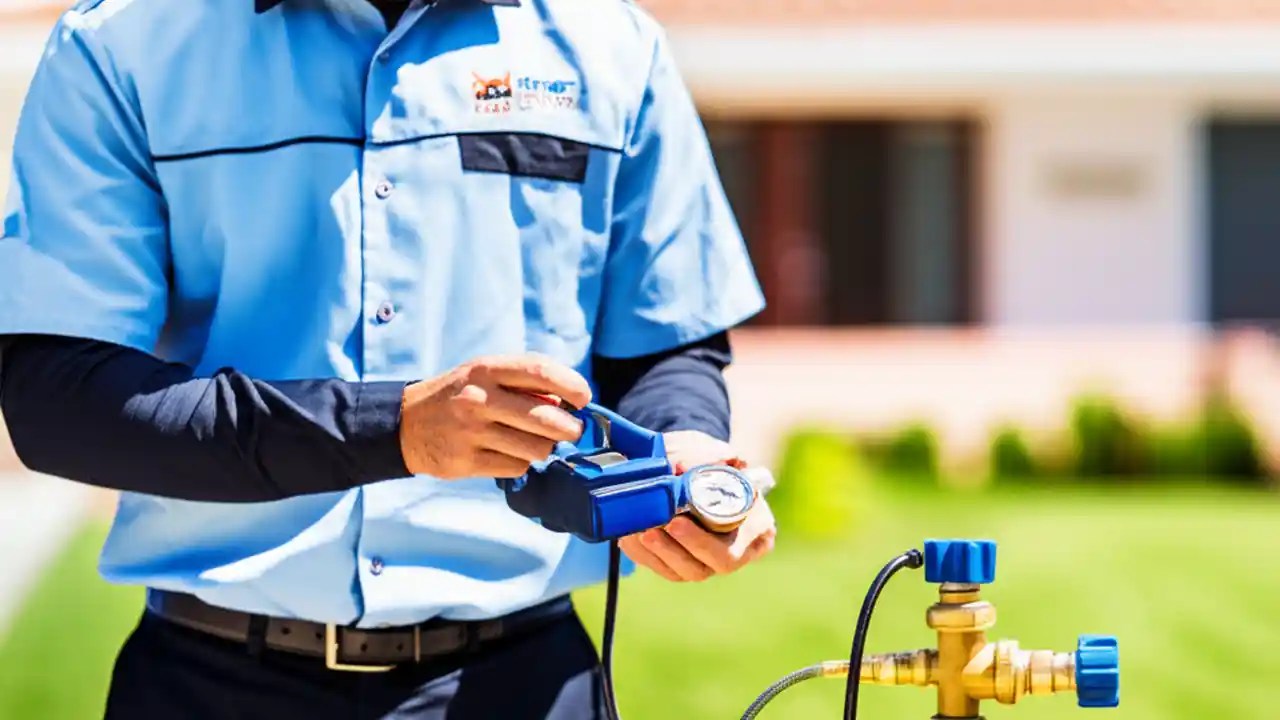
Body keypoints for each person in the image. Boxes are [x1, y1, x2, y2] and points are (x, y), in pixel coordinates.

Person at [0, 0, 774, 717]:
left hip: (525, 684)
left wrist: (684, 450)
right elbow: (59, 399)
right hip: (209, 685)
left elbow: (668, 345)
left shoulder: (612, 45)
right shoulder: (122, 42)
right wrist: (394, 430)